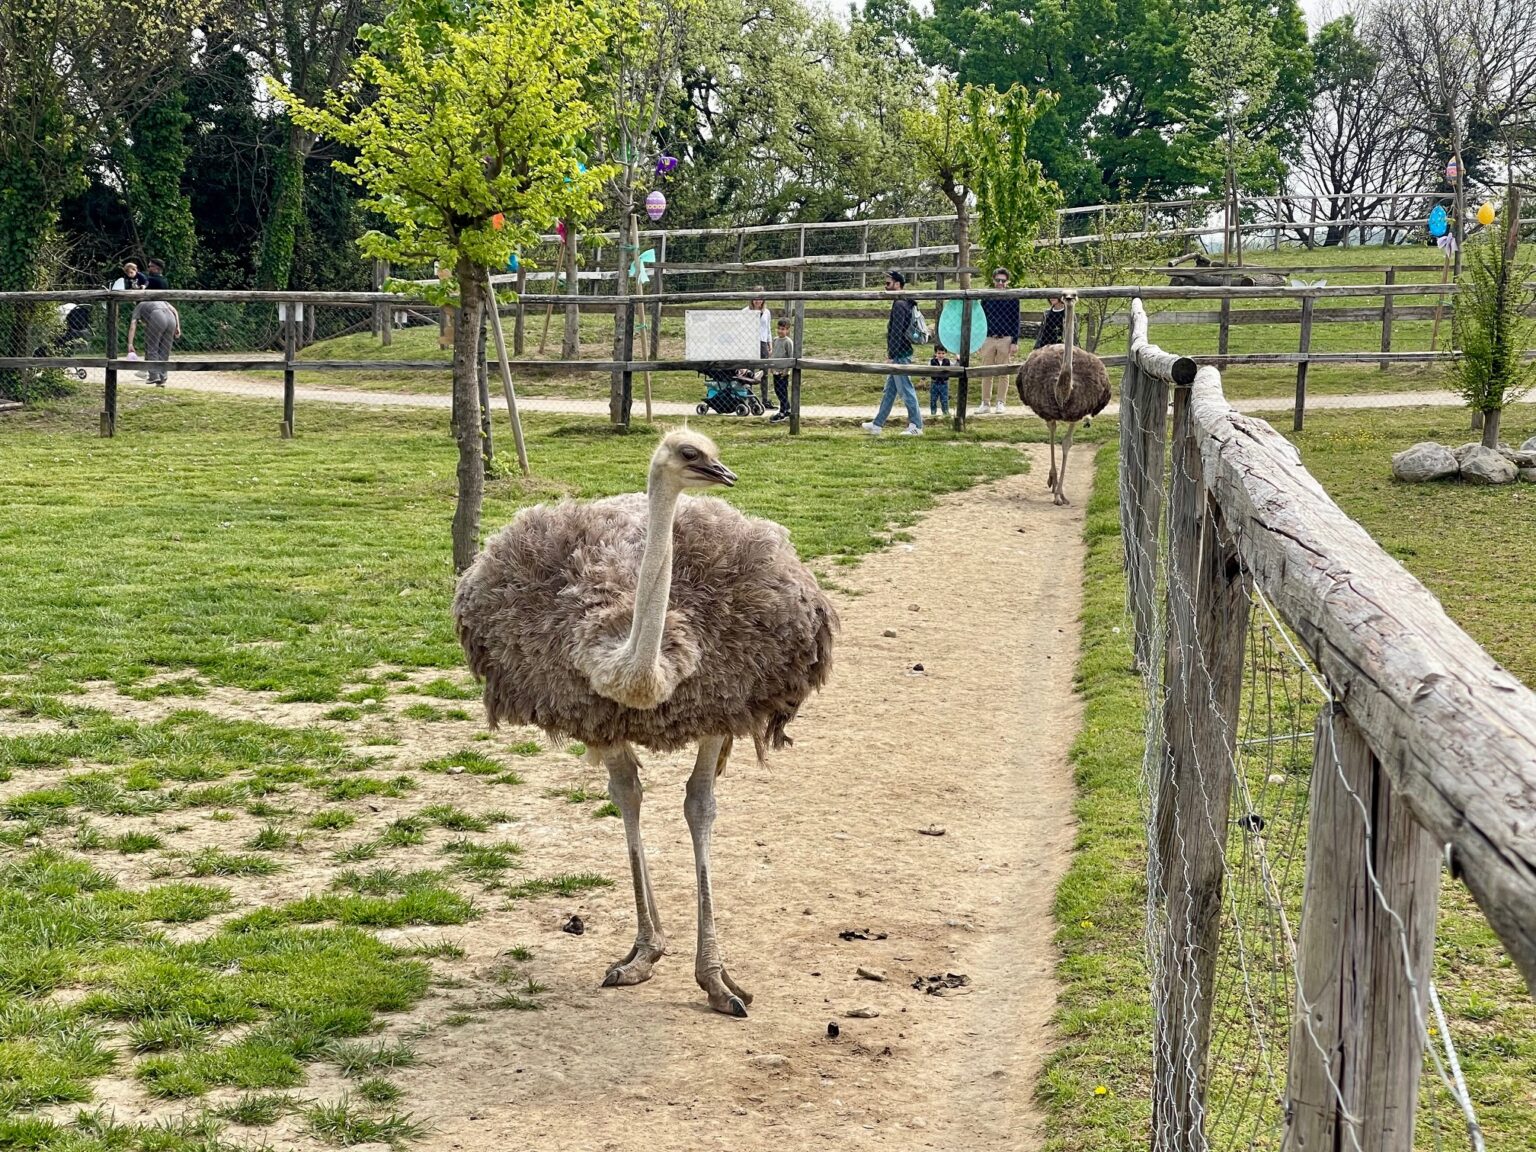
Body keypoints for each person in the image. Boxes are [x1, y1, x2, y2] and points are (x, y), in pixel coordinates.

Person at [862, 270, 922, 437]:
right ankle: (877, 424)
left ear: (898, 284)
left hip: (900, 354)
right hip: (901, 352)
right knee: (889, 391)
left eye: (888, 283)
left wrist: (891, 354)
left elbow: (896, 332)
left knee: (906, 390)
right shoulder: (904, 303)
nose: (885, 286)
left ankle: (916, 425)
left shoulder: (899, 305)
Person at [975, 267, 1019, 415]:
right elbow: (981, 319)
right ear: (993, 280)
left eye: (1003, 280)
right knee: (986, 371)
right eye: (997, 280)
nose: (1000, 283)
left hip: (1005, 338)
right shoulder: (987, 297)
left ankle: (1001, 402)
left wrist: (1014, 341)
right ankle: (985, 402)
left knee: (1003, 371)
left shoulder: (1013, 297)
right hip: (988, 338)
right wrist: (979, 340)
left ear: (1007, 282)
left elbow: (1016, 321)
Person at [127, 295, 181, 386]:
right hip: (171, 318)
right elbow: (174, 311)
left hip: (157, 316)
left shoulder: (139, 305)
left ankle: (154, 375)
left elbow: (133, 325)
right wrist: (178, 326)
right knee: (165, 349)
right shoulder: (160, 300)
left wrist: (130, 343)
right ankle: (163, 377)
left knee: (152, 347)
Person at [744, 287, 772, 405]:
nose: (757, 301)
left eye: (760, 298)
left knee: (764, 371)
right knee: (750, 371)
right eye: (755, 298)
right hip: (750, 342)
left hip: (762, 342)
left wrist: (770, 343)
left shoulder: (766, 312)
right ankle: (750, 399)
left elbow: (768, 329)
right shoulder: (745, 311)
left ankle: (765, 399)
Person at [769, 317, 794, 423]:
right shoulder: (775, 340)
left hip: (783, 371)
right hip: (775, 370)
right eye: (779, 328)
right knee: (777, 390)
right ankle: (787, 409)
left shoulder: (788, 342)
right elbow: (773, 354)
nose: (780, 331)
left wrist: (786, 369)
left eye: (783, 329)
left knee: (782, 391)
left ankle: (783, 412)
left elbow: (790, 356)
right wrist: (771, 366)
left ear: (787, 330)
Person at [928, 345, 953, 419]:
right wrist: (923, 378)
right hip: (934, 383)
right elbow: (926, 370)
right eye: (939, 353)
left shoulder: (948, 361)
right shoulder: (931, 361)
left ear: (945, 354)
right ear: (935, 353)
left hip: (944, 383)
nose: (941, 355)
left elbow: (955, 367)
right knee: (933, 399)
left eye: (943, 353)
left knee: (944, 399)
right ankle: (933, 413)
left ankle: (945, 413)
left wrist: (958, 360)